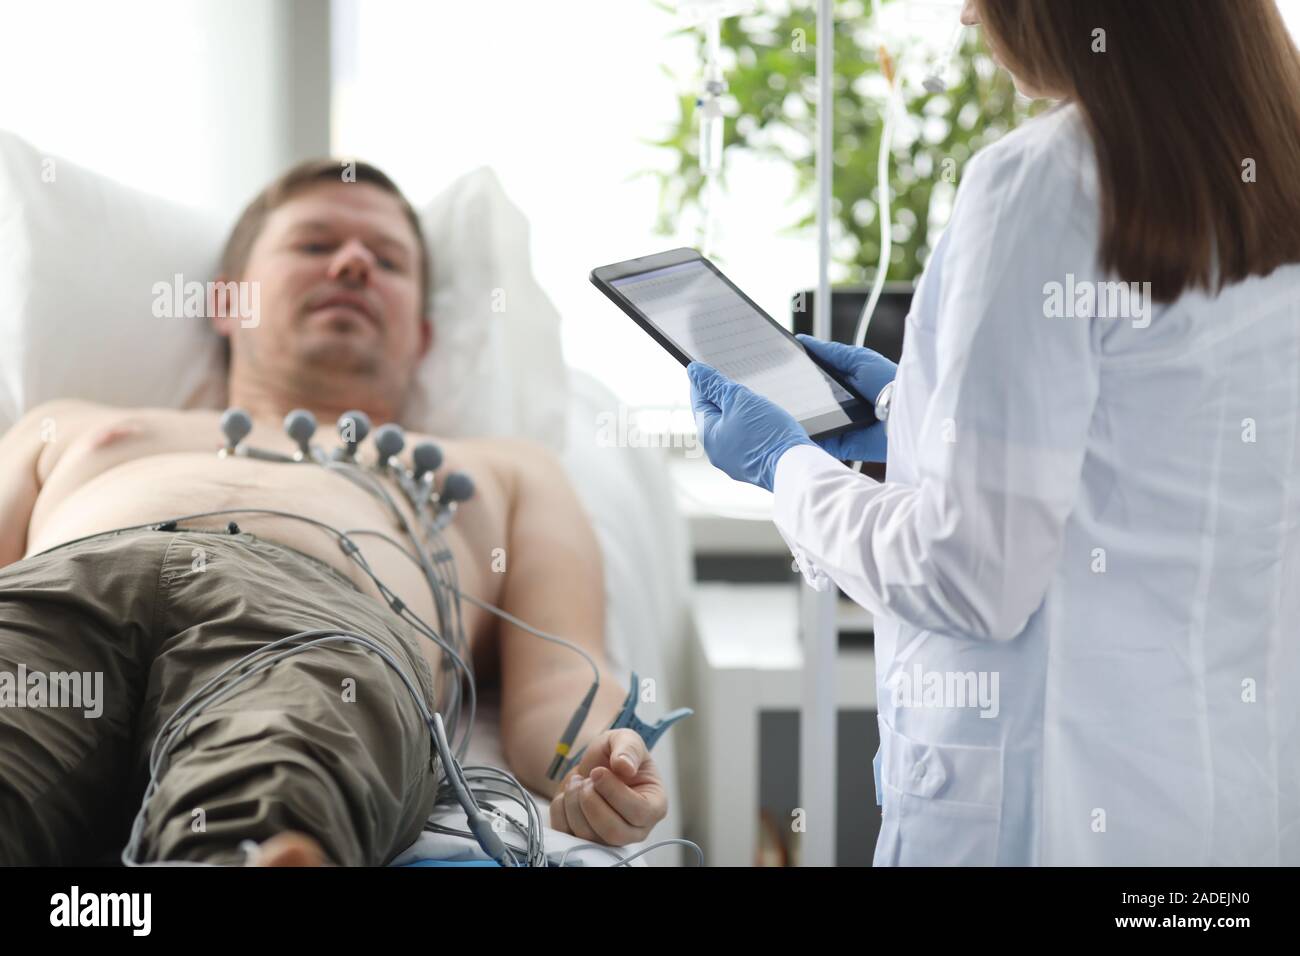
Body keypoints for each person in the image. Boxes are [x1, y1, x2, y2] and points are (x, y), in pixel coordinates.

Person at [689, 0, 1300, 865]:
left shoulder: (1045, 183)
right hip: (1227, 817)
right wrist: (914, 411)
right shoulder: (1266, 167)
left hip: (1049, 810)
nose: (970, 14)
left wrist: (786, 470)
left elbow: (968, 572)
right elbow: (1154, 442)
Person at [0, 159, 667, 865]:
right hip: (65, 595)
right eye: (315, 245)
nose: (352, 265)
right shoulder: (64, 425)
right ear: (228, 302)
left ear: (422, 336)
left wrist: (597, 758)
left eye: (387, 261)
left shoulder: (508, 469)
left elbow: (563, 678)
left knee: (285, 769)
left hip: (323, 624)